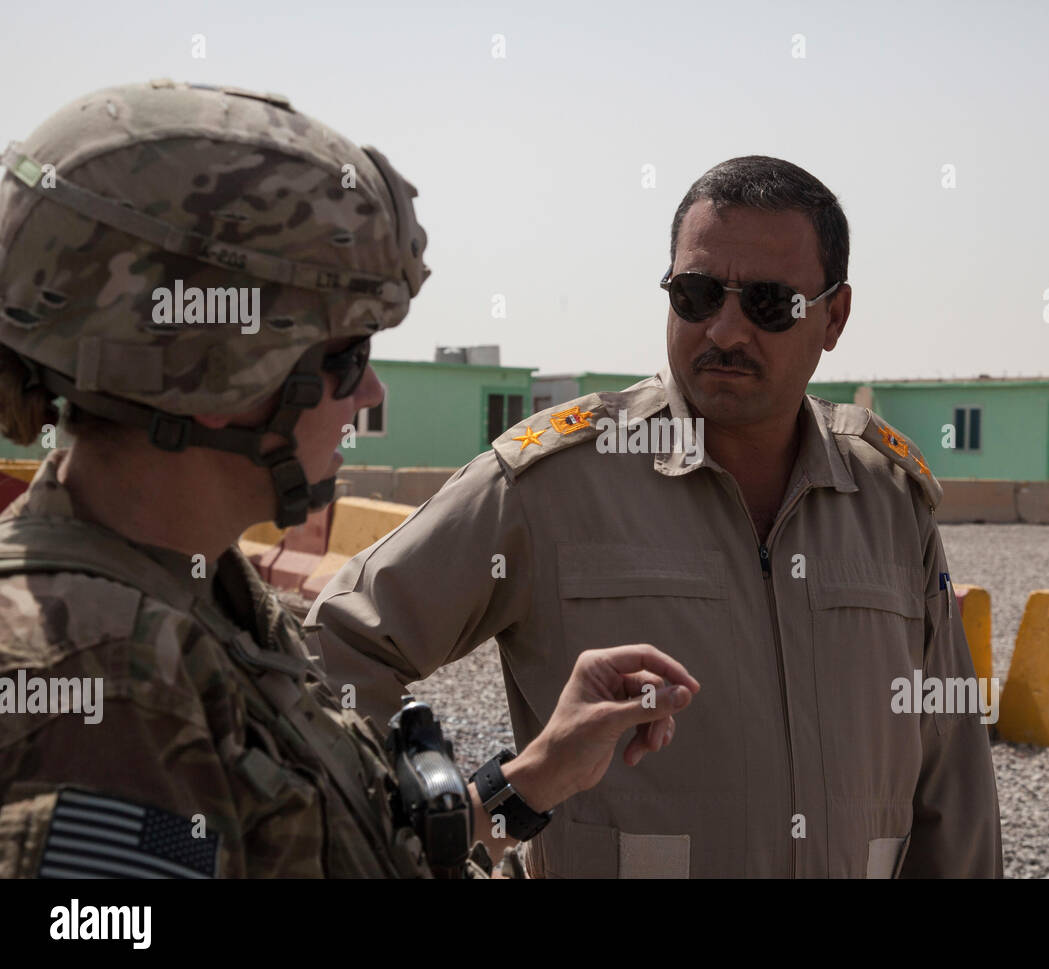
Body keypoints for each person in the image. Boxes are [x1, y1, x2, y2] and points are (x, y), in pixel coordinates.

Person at [0, 80, 698, 879]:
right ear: (218, 373)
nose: (371, 397)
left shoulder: (201, 595)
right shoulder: (92, 688)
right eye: (347, 359)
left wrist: (541, 772)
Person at [307, 155, 1003, 878]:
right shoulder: (558, 482)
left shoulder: (889, 501)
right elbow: (340, 648)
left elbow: (951, 780)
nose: (725, 330)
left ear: (834, 316)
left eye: (768, 304)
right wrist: (456, 822)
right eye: (697, 295)